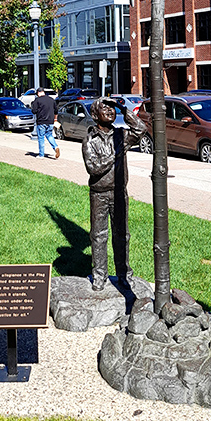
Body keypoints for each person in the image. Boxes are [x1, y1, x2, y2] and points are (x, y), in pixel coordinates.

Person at [82, 97, 147, 290]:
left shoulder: (121, 136)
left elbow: (141, 129)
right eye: (105, 107)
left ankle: (123, 274)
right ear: (95, 114)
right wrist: (116, 154)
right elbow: (93, 168)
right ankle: (99, 276)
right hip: (99, 194)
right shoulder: (89, 139)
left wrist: (123, 109)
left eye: (112, 108)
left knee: (122, 235)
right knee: (98, 235)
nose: (110, 111)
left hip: (119, 193)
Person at [31, 87, 60, 159]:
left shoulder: (37, 100)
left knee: (41, 138)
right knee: (49, 135)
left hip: (41, 122)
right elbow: (56, 111)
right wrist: (55, 119)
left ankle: (41, 155)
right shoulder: (51, 100)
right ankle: (55, 146)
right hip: (50, 121)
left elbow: (33, 111)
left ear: (38, 93)